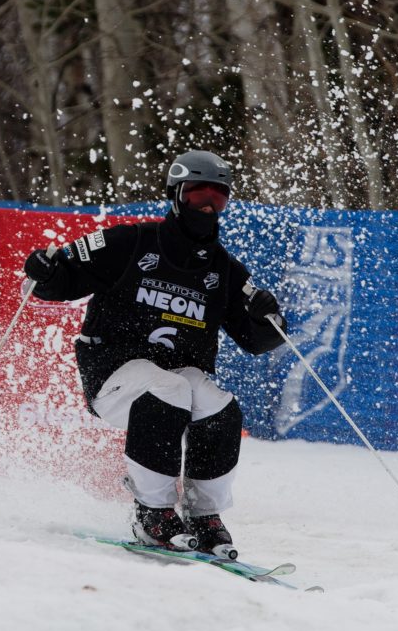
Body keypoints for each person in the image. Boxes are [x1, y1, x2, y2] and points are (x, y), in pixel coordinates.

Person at [23, 150, 286, 560]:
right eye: (198, 195)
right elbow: (59, 282)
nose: (207, 206)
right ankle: (152, 511)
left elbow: (258, 341)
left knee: (220, 407)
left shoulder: (224, 270)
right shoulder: (131, 242)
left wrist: (267, 320)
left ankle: (204, 515)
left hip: (177, 379)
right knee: (169, 387)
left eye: (217, 198)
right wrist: (45, 270)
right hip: (112, 376)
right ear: (176, 195)